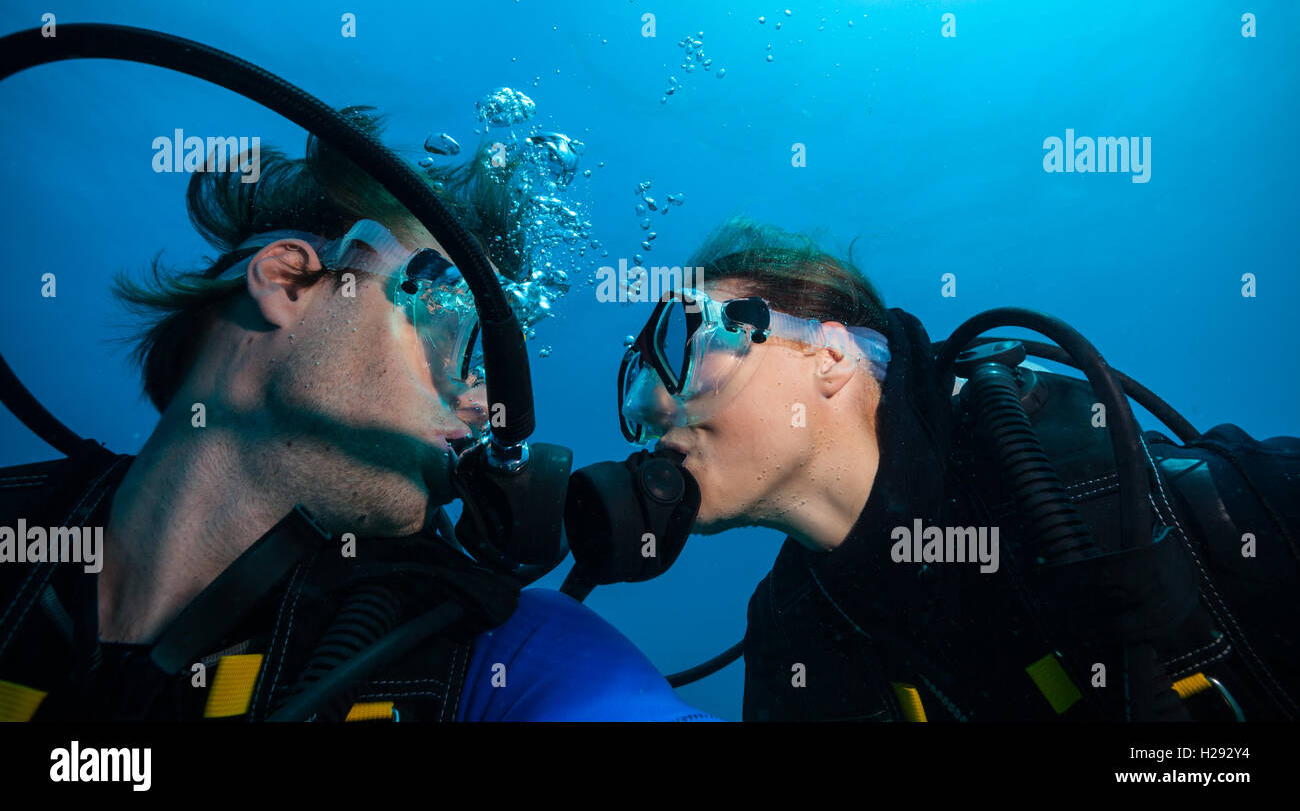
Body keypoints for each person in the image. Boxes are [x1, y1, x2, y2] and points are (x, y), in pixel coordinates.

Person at [0, 108, 713, 722]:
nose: (480, 402)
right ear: (287, 280)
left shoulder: (506, 654)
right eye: (448, 326)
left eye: (485, 367)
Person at [616, 216, 1300, 721]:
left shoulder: (1110, 483)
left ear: (827, 356)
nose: (648, 407)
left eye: (689, 337)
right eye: (637, 375)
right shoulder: (788, 640)